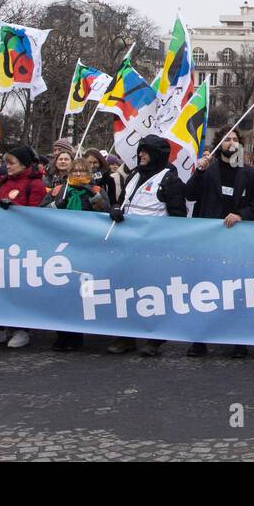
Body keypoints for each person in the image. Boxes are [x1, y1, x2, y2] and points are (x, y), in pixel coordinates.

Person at [185, 129, 254, 358]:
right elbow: (190, 195)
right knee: (205, 289)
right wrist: (198, 172)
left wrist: (241, 214)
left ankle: (238, 339)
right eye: (227, 139)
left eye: (235, 140)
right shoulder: (208, 170)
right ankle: (200, 339)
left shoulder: (250, 174)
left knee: (236, 289)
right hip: (209, 240)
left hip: (238, 241)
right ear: (219, 143)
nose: (231, 143)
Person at [106, 135, 187, 356]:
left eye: (146, 151)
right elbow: (122, 201)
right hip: (128, 247)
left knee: (154, 294)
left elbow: (179, 218)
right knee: (127, 291)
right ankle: (126, 336)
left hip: (155, 250)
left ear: (157, 155)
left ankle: (155, 338)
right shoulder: (133, 175)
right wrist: (115, 209)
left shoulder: (170, 181)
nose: (140, 154)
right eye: (140, 150)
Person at [40, 156, 113, 351]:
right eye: (75, 171)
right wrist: (57, 205)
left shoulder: (97, 191)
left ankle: (77, 333)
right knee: (61, 291)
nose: (78, 174)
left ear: (89, 174)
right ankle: (62, 334)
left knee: (80, 292)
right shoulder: (59, 191)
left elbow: (106, 214)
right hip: (62, 248)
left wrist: (96, 201)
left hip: (86, 248)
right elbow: (40, 214)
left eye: (83, 171)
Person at [0, 146, 47, 350]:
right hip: (0, 240)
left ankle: (21, 328)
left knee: (20, 286)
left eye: (12, 163)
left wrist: (16, 208)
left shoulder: (35, 184)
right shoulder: (2, 182)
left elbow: (36, 214)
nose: (7, 166)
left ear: (25, 164)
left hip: (23, 243)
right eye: (6, 162)